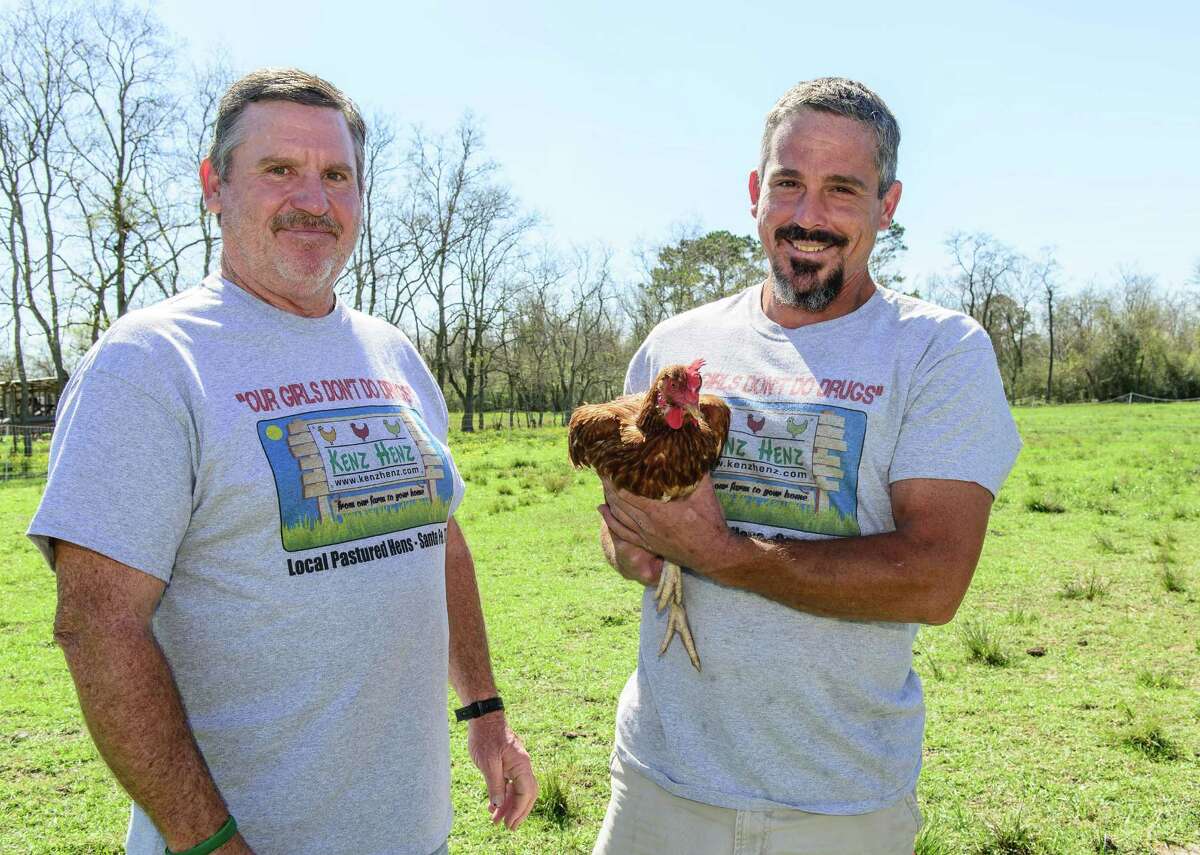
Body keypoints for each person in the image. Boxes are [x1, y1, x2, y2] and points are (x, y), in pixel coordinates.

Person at [28, 68, 536, 855]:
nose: (314, 198)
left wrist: (484, 710)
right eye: (279, 170)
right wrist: (209, 843)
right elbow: (97, 624)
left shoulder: (392, 352)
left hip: (415, 831)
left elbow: (440, 538)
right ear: (215, 186)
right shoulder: (151, 363)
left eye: (337, 175)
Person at [592, 77, 1021, 855]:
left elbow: (933, 580)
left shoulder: (937, 351)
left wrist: (721, 555)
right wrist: (632, 546)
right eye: (788, 184)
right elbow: (625, 531)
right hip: (659, 786)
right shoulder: (676, 344)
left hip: (838, 805)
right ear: (756, 192)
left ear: (887, 206)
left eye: (842, 190)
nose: (807, 215)